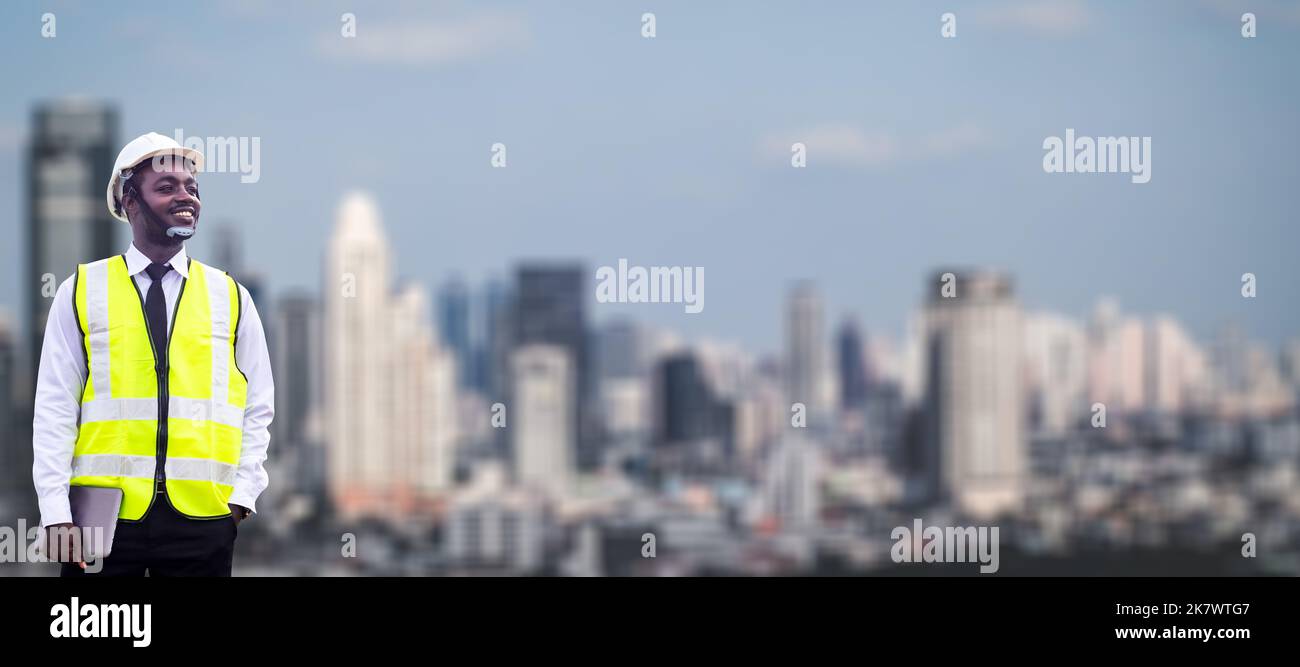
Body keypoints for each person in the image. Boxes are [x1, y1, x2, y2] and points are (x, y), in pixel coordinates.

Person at [32, 132, 274, 576]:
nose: (186, 197)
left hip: (203, 521)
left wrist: (242, 497)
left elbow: (258, 405)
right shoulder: (81, 291)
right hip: (99, 522)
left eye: (192, 188)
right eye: (167, 187)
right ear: (129, 201)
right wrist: (55, 513)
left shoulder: (231, 296)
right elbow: (54, 408)